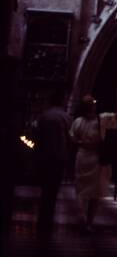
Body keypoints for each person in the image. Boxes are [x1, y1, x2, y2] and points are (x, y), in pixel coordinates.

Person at [69, 90, 117, 232]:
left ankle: (88, 221)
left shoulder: (100, 119)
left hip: (94, 158)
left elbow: (73, 139)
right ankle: (86, 220)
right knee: (85, 191)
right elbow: (73, 138)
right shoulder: (80, 121)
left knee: (93, 192)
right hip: (85, 157)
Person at [34, 88, 70, 232]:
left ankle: (42, 218)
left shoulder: (44, 116)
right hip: (59, 157)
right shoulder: (65, 117)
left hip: (44, 156)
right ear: (62, 100)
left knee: (44, 188)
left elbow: (36, 134)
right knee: (53, 190)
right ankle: (48, 220)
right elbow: (70, 137)